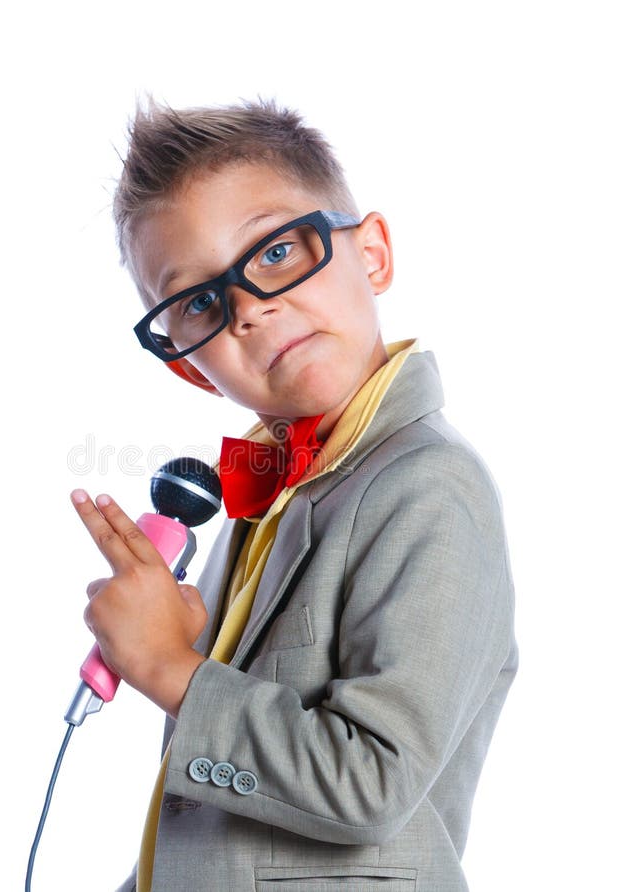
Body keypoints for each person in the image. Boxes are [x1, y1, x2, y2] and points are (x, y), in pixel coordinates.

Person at [70, 98, 518, 892]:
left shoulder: (431, 486)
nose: (250, 308)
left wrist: (172, 668)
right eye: (200, 302)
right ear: (187, 365)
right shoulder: (267, 501)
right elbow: (225, 826)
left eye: (276, 250)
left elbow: (370, 785)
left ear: (372, 253)